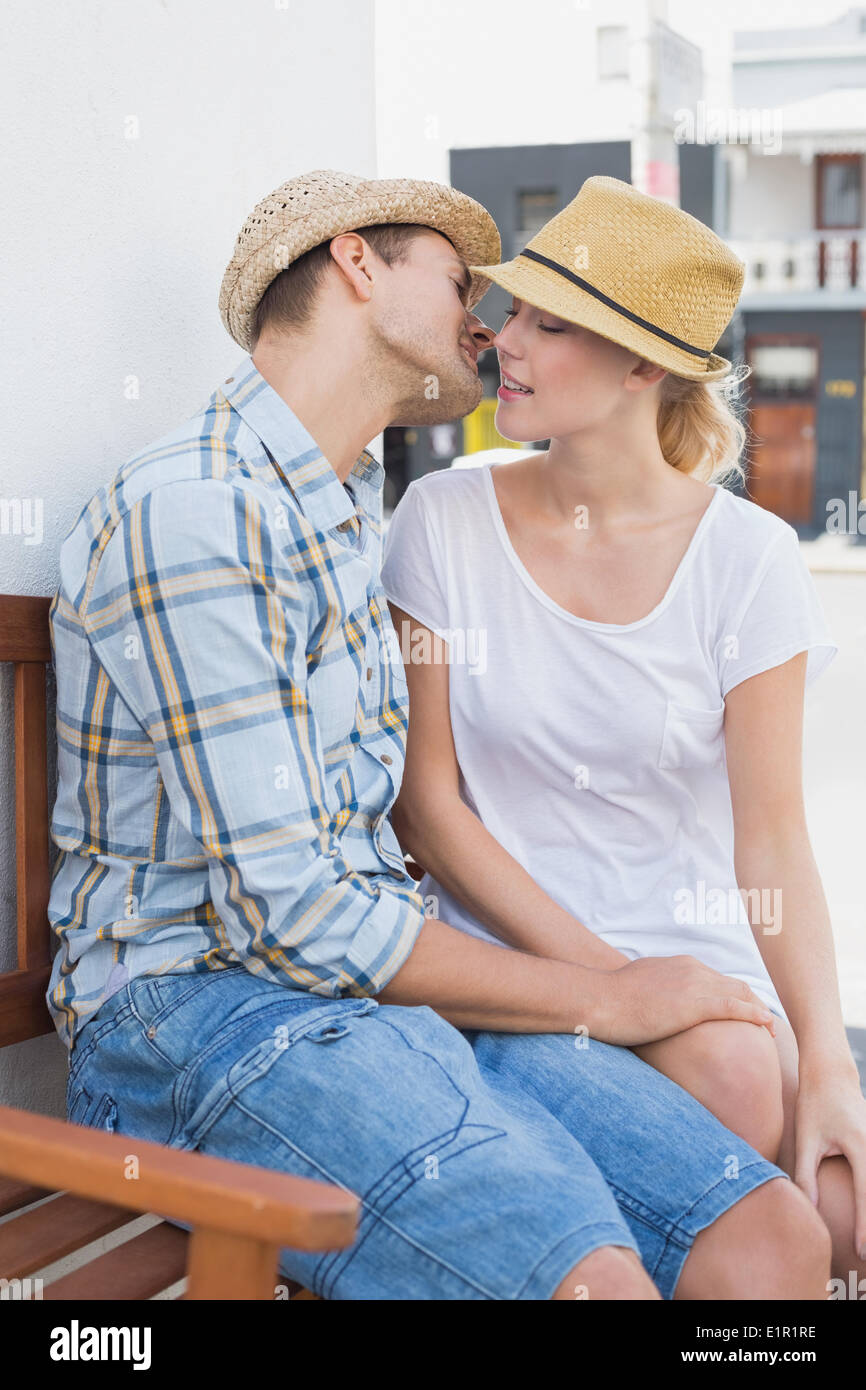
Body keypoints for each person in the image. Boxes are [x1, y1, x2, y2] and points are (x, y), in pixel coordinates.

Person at [48, 170, 829, 1300]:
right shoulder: (201, 508)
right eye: (465, 284)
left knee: (773, 1246)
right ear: (356, 262)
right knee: (592, 1284)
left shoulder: (337, 510)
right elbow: (294, 910)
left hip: (369, 995)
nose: (486, 325)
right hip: (200, 1013)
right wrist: (610, 996)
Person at [381, 174, 866, 1284]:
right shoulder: (442, 519)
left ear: (644, 364)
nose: (505, 341)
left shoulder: (747, 560)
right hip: (509, 970)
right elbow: (428, 803)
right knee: (743, 1111)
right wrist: (619, 987)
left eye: (551, 326)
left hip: (697, 969)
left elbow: (773, 842)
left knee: (840, 1211)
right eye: (512, 313)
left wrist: (828, 1058)